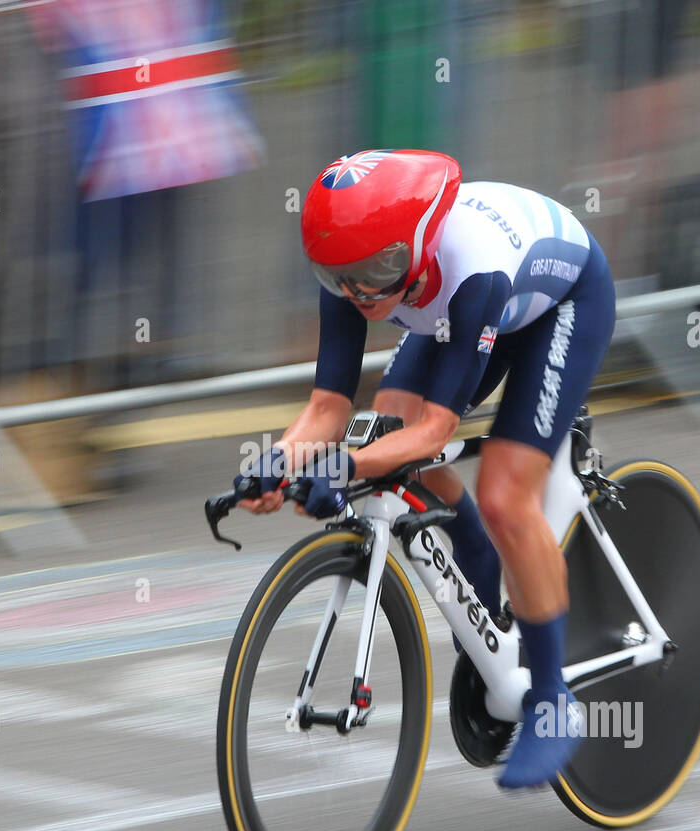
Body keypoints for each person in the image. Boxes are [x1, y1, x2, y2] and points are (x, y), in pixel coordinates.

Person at [233, 149, 615, 789]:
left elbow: (435, 432)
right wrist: (274, 463)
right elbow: (327, 408)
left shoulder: (471, 269)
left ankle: (551, 700)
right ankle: (477, 555)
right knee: (387, 427)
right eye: (339, 277)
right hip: (460, 312)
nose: (359, 293)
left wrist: (344, 466)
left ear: (415, 246)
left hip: (560, 307)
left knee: (503, 494)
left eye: (376, 272)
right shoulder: (355, 267)